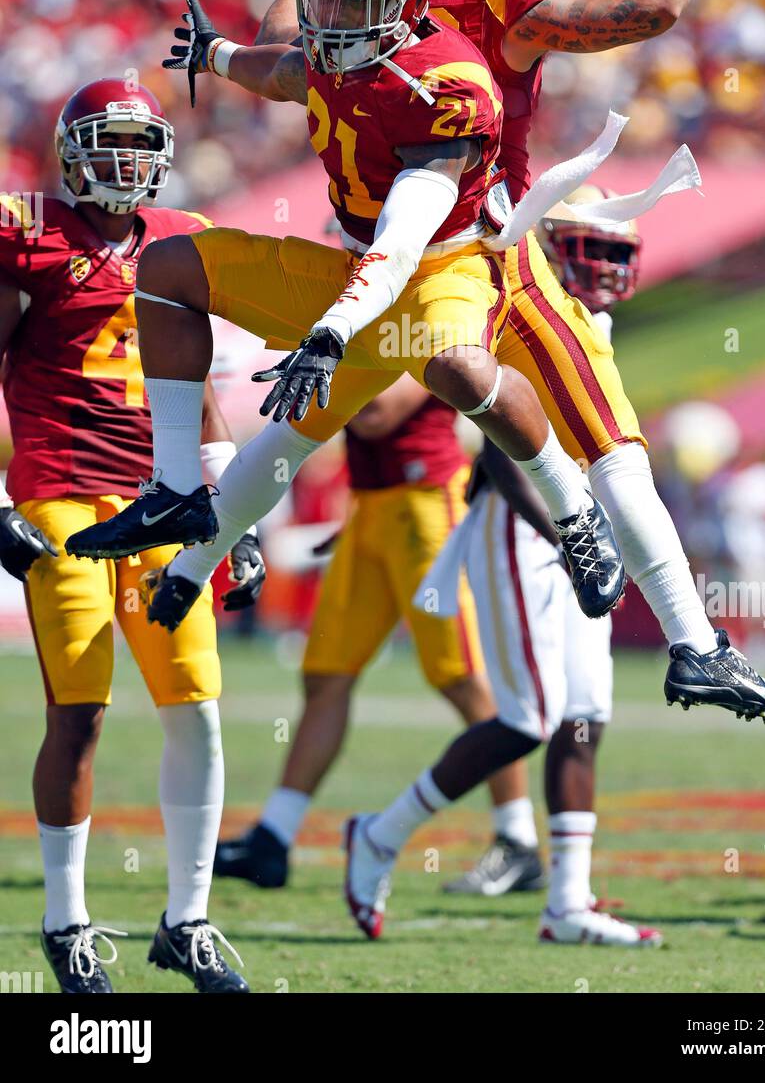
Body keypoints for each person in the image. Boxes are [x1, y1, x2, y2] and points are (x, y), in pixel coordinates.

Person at [124, 0, 765, 721]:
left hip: (383, 254)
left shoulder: (377, 16)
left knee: (295, 429)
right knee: (607, 441)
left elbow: (288, 56)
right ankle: (689, 637)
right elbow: (652, 9)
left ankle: (197, 560)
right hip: (477, 246)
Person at [65, 0, 627, 657]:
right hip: (350, 264)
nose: (327, 22)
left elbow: (403, 238)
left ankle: (574, 510)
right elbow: (286, 70)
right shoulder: (341, 49)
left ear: (405, 6)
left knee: (458, 366)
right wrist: (217, 53)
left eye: (349, 6)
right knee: (167, 269)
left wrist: (332, 330)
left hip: (440, 266)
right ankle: (173, 489)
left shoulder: (447, 83)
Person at [341, 187, 663, 943]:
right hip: (523, 529)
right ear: (551, 247)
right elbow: (501, 444)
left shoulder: (593, 321)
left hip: (579, 538)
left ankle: (568, 904)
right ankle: (380, 836)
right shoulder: (516, 308)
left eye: (622, 252)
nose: (613, 267)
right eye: (599, 249)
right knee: (529, 717)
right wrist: (570, 537)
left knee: (584, 718)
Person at [0, 79, 252, 992]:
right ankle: (66, 923)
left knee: (199, 709)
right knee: (83, 708)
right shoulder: (33, 234)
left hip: (166, 496)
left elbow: (201, 385)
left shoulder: (179, 238)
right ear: (70, 154)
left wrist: (233, 502)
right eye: (107, 144)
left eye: (139, 143)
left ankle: (187, 919)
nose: (126, 162)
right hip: (64, 495)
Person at [215, 376, 542, 894]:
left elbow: (377, 409)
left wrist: (315, 372)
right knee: (326, 676)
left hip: (429, 505)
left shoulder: (420, 316)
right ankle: (273, 836)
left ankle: (517, 840)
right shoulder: (358, 322)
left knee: (465, 680)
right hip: (370, 507)